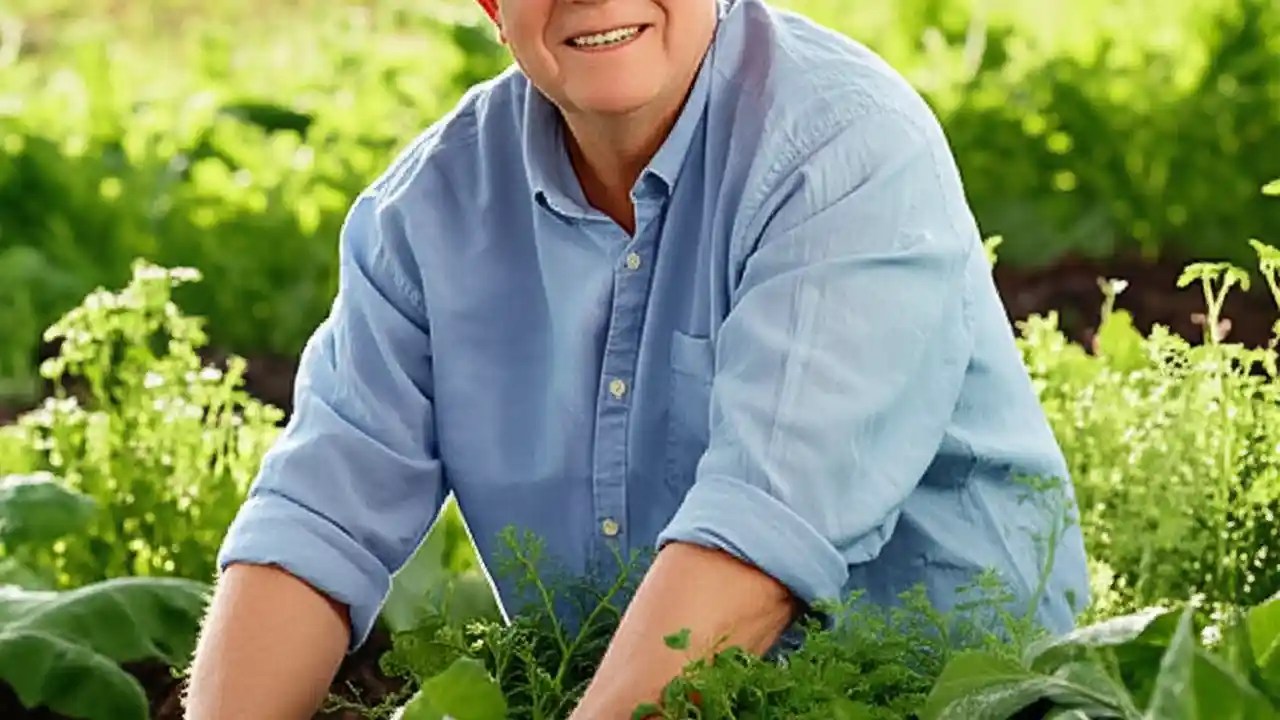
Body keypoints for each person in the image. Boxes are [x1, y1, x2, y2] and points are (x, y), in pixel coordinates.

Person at [183, 0, 1090, 717]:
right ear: (492, 4)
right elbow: (312, 528)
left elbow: (762, 538)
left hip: (949, 696)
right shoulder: (427, 213)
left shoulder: (842, 147)